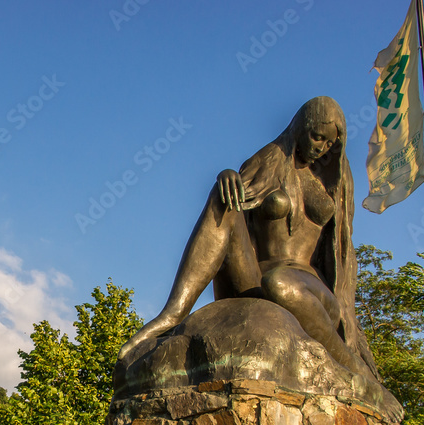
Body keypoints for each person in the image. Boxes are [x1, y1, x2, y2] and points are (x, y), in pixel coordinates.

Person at [119, 96, 380, 383]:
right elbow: (238, 210)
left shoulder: (337, 179)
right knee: (224, 196)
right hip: (257, 279)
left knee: (281, 283)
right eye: (316, 137)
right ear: (300, 127)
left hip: (310, 287)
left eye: (329, 144)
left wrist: (347, 318)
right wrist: (227, 176)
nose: (320, 148)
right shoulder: (268, 160)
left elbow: (342, 252)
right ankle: (173, 313)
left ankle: (352, 368)